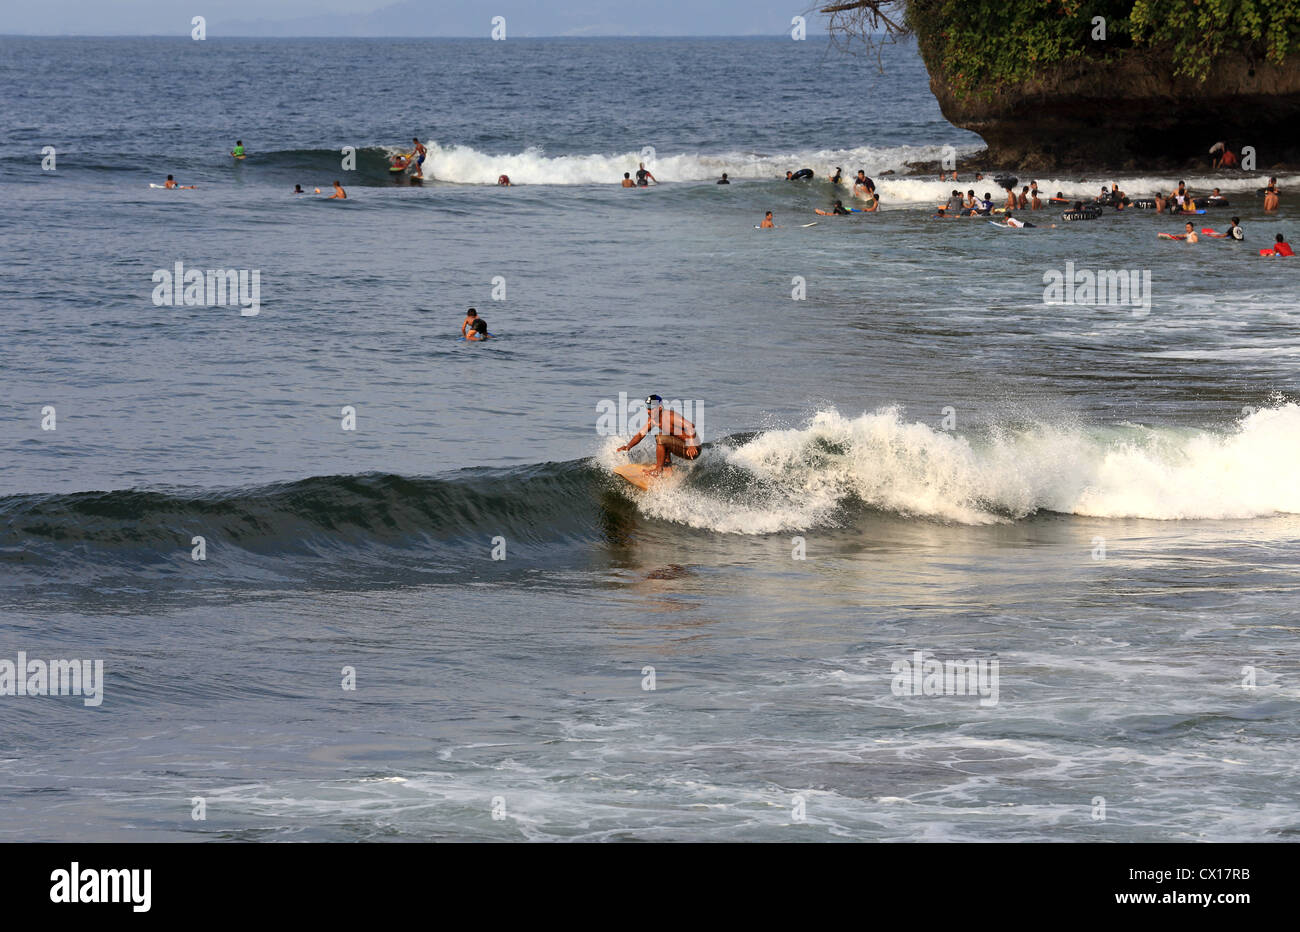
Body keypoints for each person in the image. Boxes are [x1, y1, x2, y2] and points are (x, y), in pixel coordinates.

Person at [617, 394, 701, 477]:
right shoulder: (653, 420)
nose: (649, 411)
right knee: (662, 436)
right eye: (648, 408)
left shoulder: (670, 416)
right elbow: (640, 435)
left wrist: (691, 445)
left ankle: (658, 470)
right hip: (682, 446)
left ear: (660, 408)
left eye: (652, 408)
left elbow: (690, 426)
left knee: (661, 437)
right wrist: (628, 446)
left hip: (692, 450)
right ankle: (667, 465)